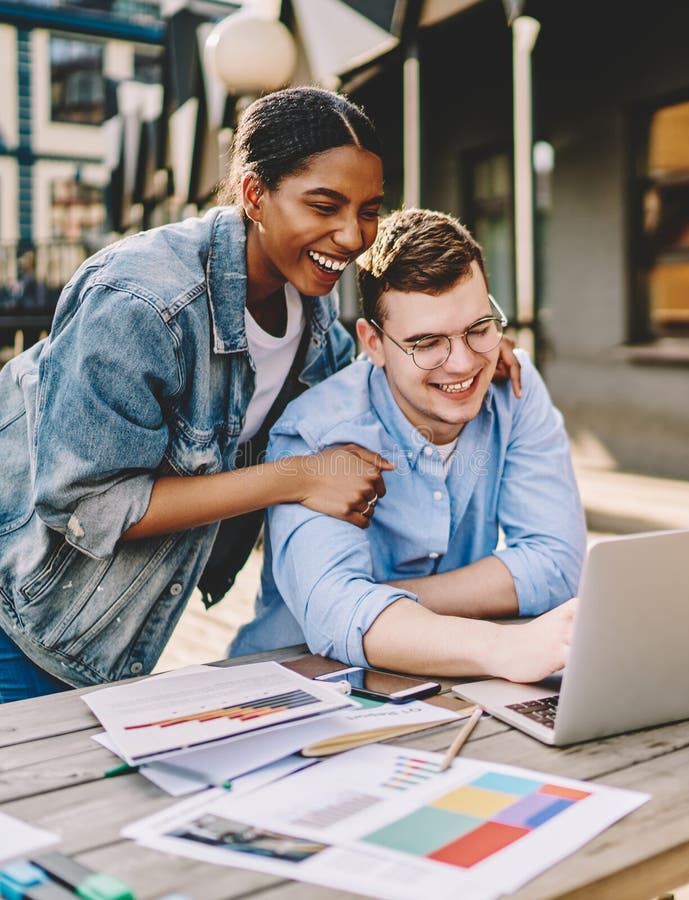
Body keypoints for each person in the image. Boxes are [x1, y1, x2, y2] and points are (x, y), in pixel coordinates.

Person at [0, 89, 520, 703]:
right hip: (24, 615)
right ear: (254, 195)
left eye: (370, 209)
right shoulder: (141, 302)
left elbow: (365, 396)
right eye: (324, 205)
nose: (353, 236)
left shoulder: (317, 318)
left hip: (118, 633)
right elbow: (87, 505)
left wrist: (467, 349)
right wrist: (294, 477)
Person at [231, 208, 586, 683]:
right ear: (373, 344)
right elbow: (337, 612)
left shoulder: (514, 390)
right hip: (295, 682)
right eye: (427, 342)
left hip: (451, 680)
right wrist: (501, 645)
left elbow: (557, 565)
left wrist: (379, 600)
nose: (461, 364)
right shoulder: (316, 434)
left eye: (479, 329)